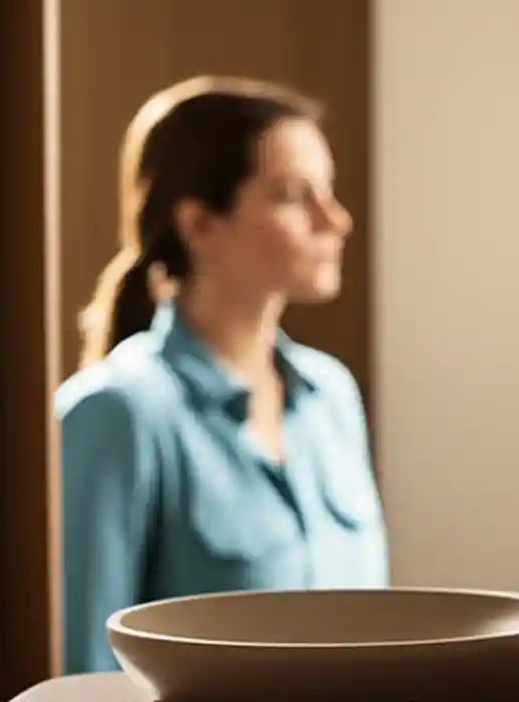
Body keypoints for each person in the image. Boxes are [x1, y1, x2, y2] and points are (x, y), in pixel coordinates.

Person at [54, 76, 388, 674]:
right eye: (293, 195)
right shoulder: (117, 413)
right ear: (200, 224)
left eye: (328, 192)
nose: (335, 220)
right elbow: (85, 671)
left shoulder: (331, 395)